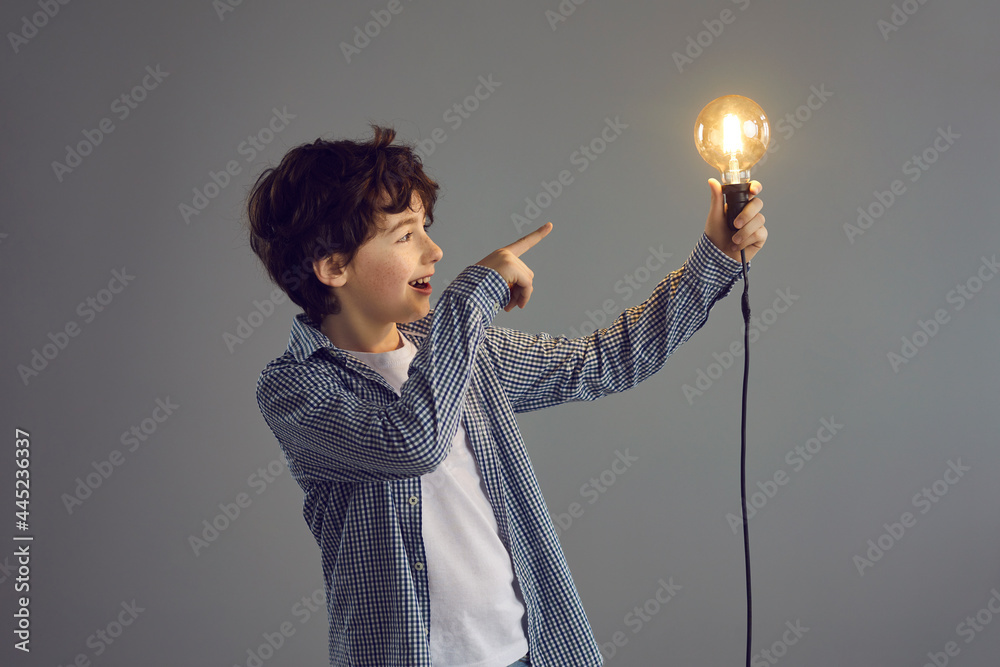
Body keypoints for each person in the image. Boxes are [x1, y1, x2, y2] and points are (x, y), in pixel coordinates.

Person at [245, 124, 766, 667]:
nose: (434, 250)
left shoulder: (466, 351)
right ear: (334, 267)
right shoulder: (295, 388)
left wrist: (716, 258)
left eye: (426, 227)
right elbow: (410, 443)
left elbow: (603, 361)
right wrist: (471, 296)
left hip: (527, 654)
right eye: (404, 236)